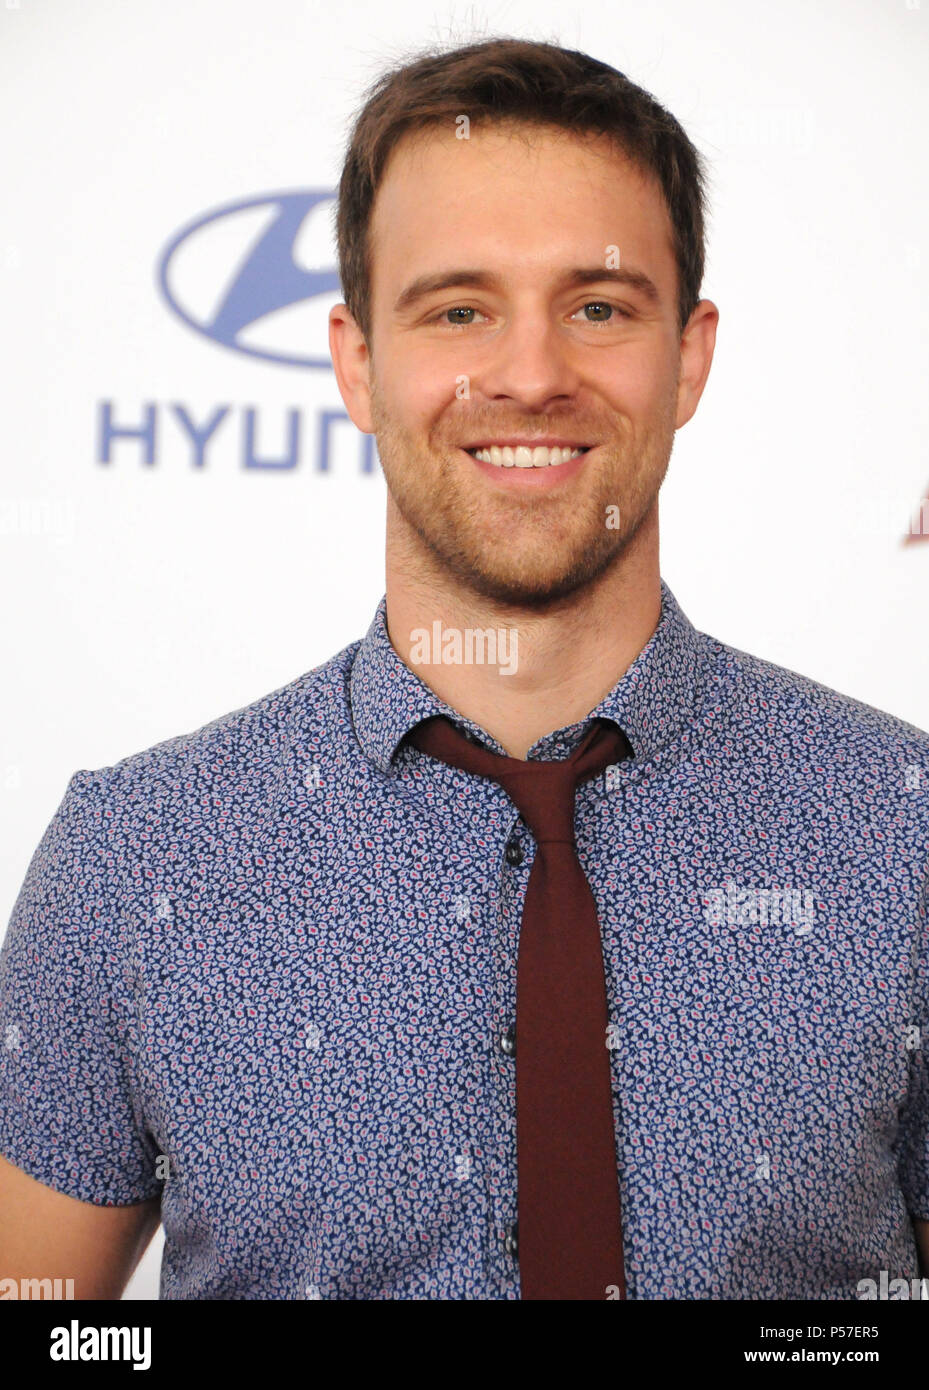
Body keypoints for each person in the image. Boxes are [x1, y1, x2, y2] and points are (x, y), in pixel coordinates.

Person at [1, 36, 927, 1302]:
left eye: (597, 308)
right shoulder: (134, 857)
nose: (532, 375)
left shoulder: (904, 831)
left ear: (689, 357)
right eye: (457, 310)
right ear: (357, 364)